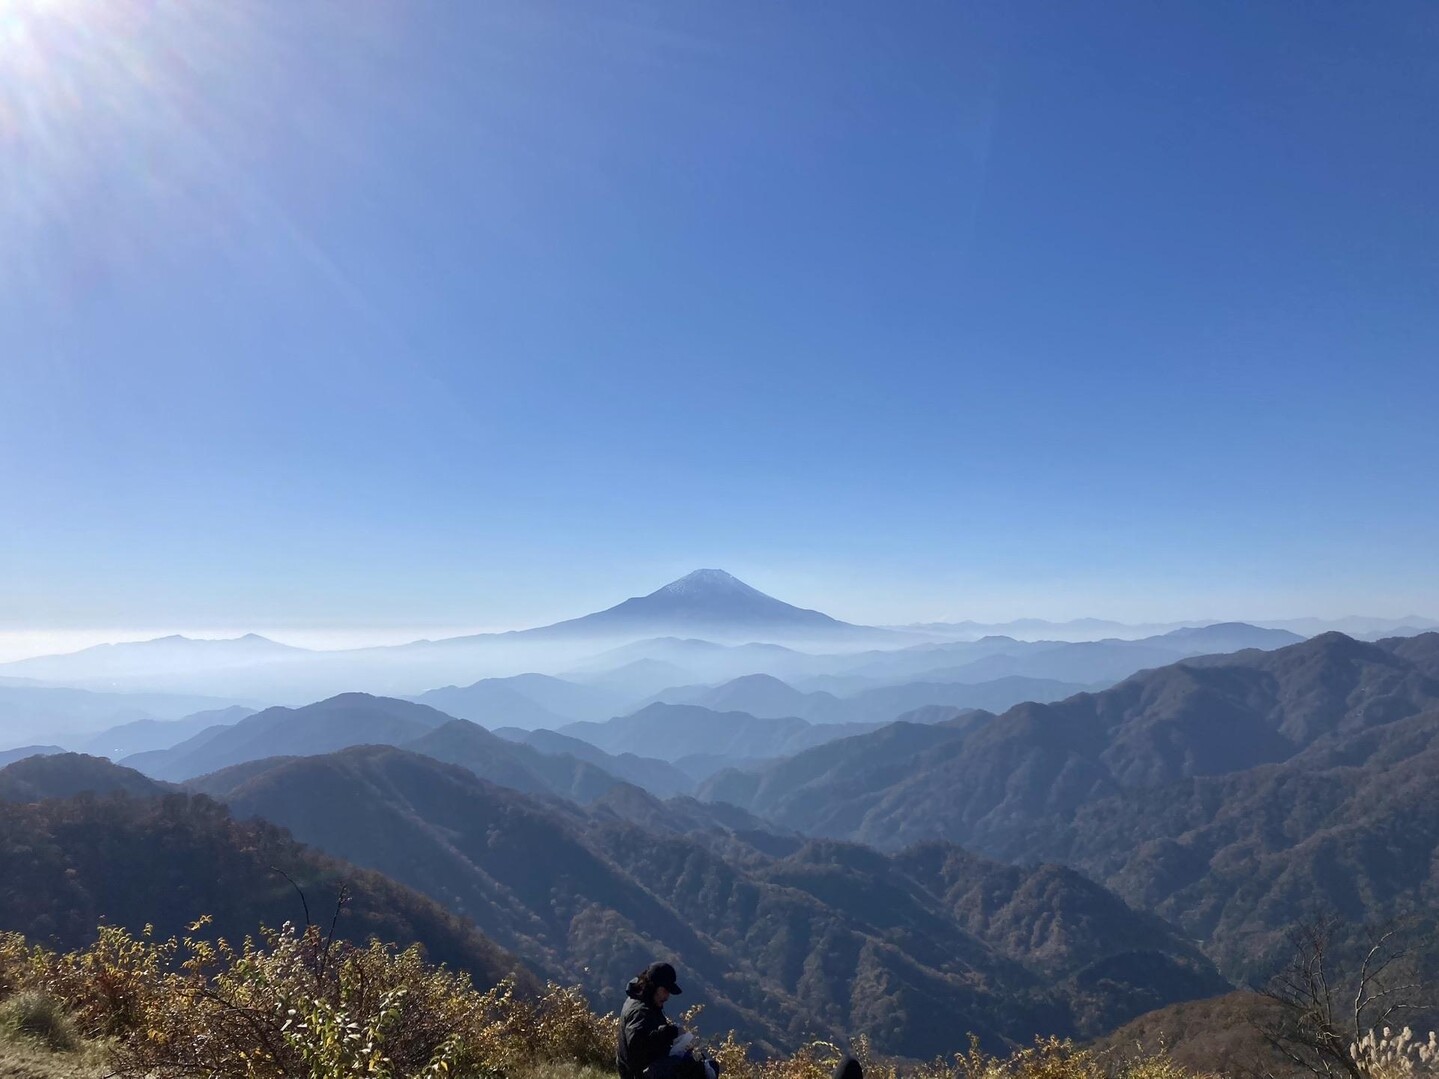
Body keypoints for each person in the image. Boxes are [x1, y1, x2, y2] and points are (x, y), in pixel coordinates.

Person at [617, 962, 714, 1079]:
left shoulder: (644, 1001)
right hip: (638, 1074)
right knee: (693, 1070)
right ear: (653, 987)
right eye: (665, 991)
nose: (667, 997)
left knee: (695, 1065)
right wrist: (667, 1033)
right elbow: (636, 1050)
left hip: (639, 1070)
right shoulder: (640, 1012)